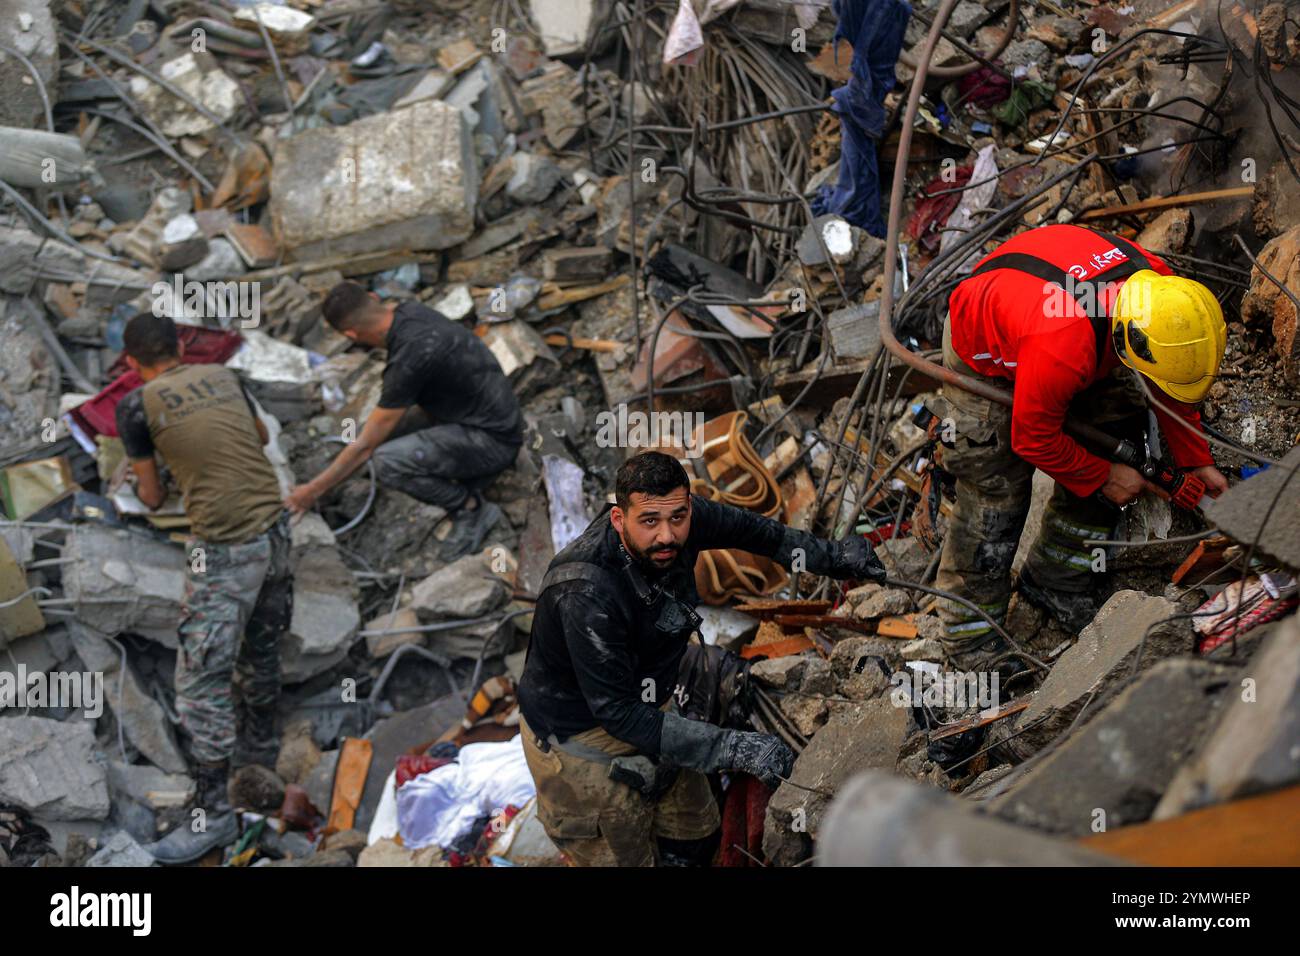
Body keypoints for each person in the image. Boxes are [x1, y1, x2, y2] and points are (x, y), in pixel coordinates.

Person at [516, 450, 887, 866]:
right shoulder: (584, 592)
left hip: (649, 700)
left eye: (678, 518)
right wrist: (732, 747)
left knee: (697, 837)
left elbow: (754, 532)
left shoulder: (678, 520)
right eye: (649, 522)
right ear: (619, 519)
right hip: (579, 736)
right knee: (628, 856)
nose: (667, 536)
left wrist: (832, 557)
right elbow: (617, 713)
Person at [936, 223, 1228, 661]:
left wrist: (1196, 458)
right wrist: (1104, 475)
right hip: (988, 356)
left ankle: (1055, 580)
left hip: (1056, 327)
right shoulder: (1062, 346)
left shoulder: (1162, 291)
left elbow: (1168, 380)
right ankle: (969, 639)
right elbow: (1032, 438)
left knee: (1117, 429)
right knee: (995, 494)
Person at [114, 313, 292, 864]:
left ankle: (213, 815)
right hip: (278, 531)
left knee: (198, 683)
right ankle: (261, 757)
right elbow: (260, 437)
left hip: (224, 547)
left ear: (131, 362)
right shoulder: (223, 376)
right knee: (260, 650)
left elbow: (147, 498)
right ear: (181, 347)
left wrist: (152, 470)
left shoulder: (133, 407)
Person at [285, 282, 523, 561]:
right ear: (373, 297)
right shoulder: (411, 311)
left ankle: (470, 508)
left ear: (352, 334)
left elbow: (365, 447)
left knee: (386, 461)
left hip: (494, 442)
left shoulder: (409, 360)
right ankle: (341, 478)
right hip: (483, 412)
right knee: (373, 435)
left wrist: (311, 492)